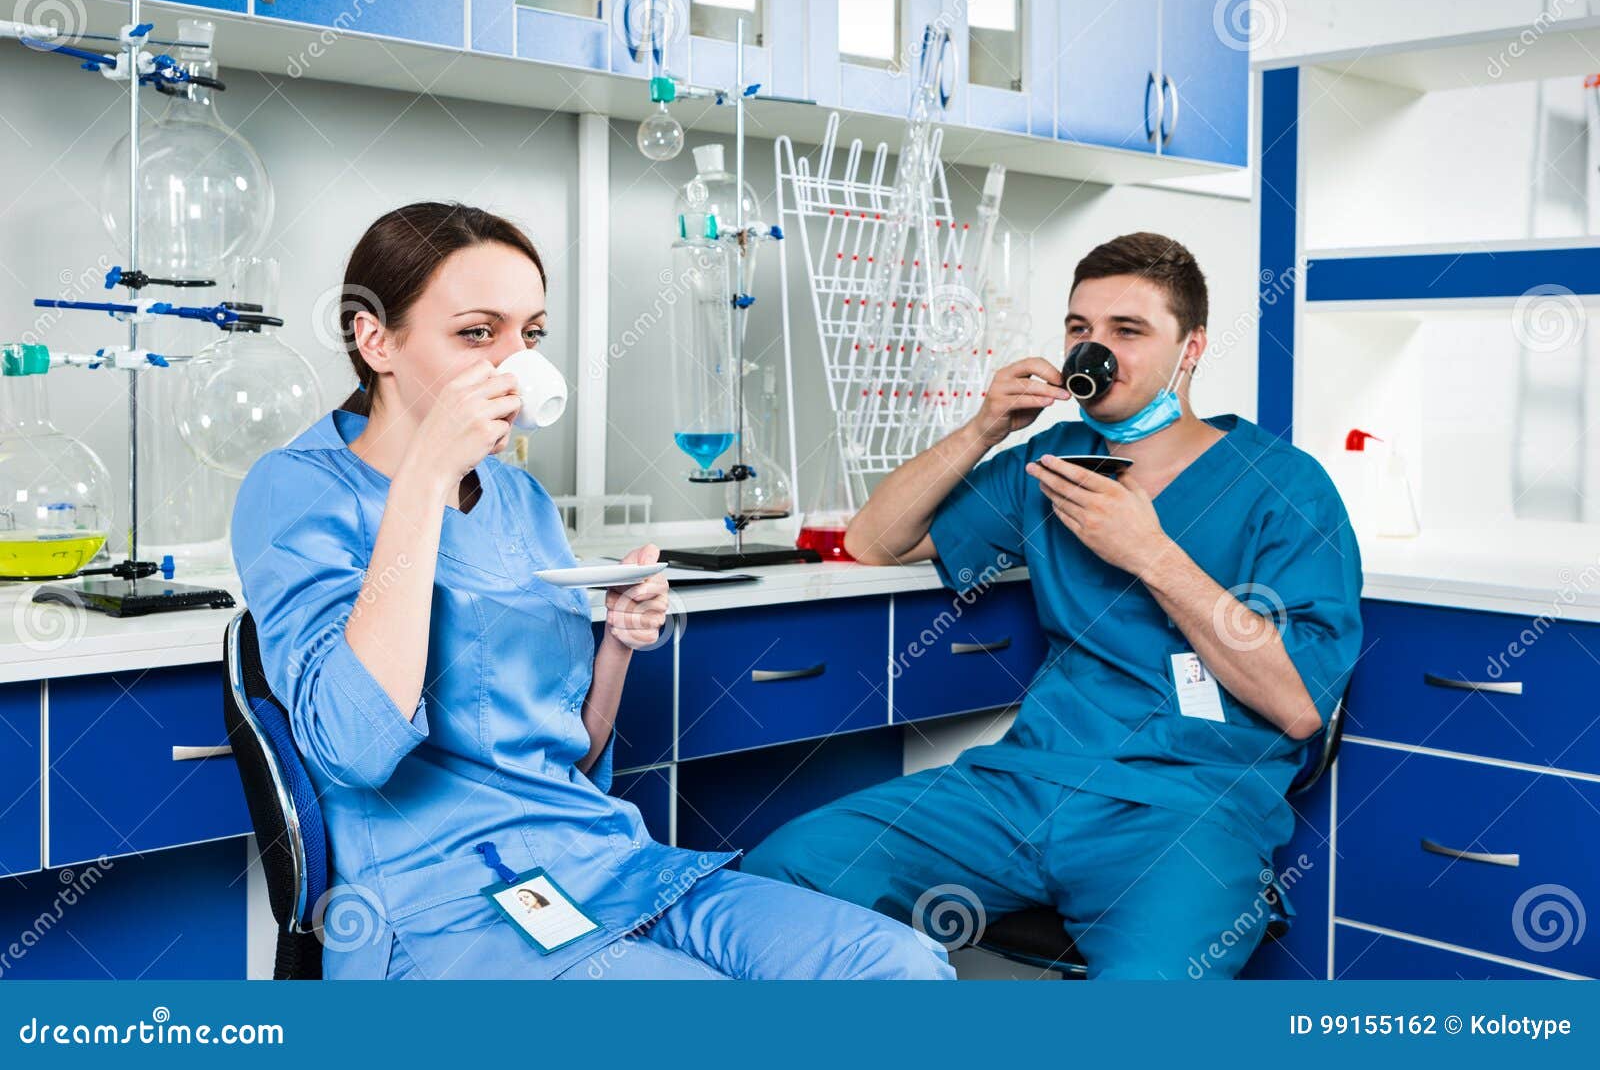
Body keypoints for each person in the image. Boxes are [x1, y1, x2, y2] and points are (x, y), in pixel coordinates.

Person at [231, 202, 952, 982]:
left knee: (898, 963)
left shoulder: (520, 501)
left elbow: (568, 751)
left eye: (530, 335)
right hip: (439, 903)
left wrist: (615, 643)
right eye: (478, 333)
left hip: (598, 859)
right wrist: (426, 476)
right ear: (377, 340)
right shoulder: (298, 491)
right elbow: (355, 748)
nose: (513, 362)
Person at [744, 232, 1363, 979]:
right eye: (1080, 330)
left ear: (1191, 347)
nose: (1092, 351)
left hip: (1183, 812)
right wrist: (985, 428)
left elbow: (1299, 704)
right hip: (1021, 787)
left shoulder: (1286, 487)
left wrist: (1150, 551)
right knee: (780, 876)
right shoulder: (1053, 464)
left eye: (1127, 332)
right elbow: (875, 539)